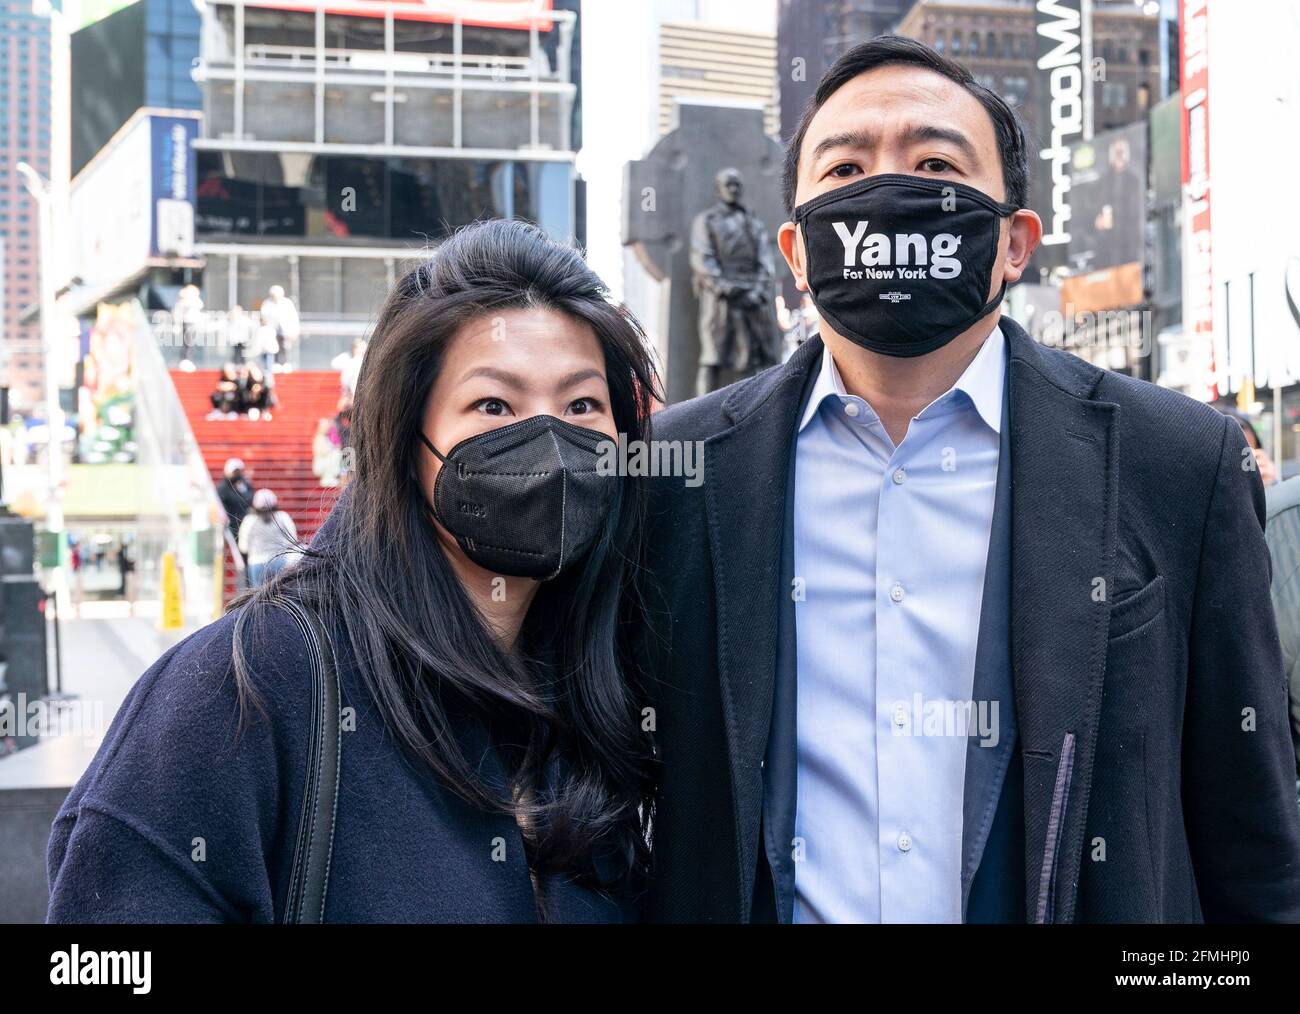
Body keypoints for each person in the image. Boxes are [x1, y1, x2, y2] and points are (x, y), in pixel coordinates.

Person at [637, 36, 1300, 923]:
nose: (888, 191)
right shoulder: (676, 477)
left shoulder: (1178, 462)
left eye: (935, 162)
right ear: (796, 252)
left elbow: (1252, 842)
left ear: (1014, 241)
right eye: (844, 168)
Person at [46, 219, 659, 923]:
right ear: (403, 438)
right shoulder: (243, 688)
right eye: (494, 404)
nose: (550, 439)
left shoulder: (604, 692)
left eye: (582, 404)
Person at [237, 489, 299, 587]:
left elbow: (243, 547)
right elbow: (293, 540)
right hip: (280, 561)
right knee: (281, 593)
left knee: (257, 596)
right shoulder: (283, 517)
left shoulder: (249, 520)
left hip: (256, 563)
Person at [216, 458, 254, 543]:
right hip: (232, 526)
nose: (237, 475)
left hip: (247, 524)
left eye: (239, 472)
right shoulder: (223, 488)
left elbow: (251, 500)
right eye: (235, 472)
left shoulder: (245, 485)